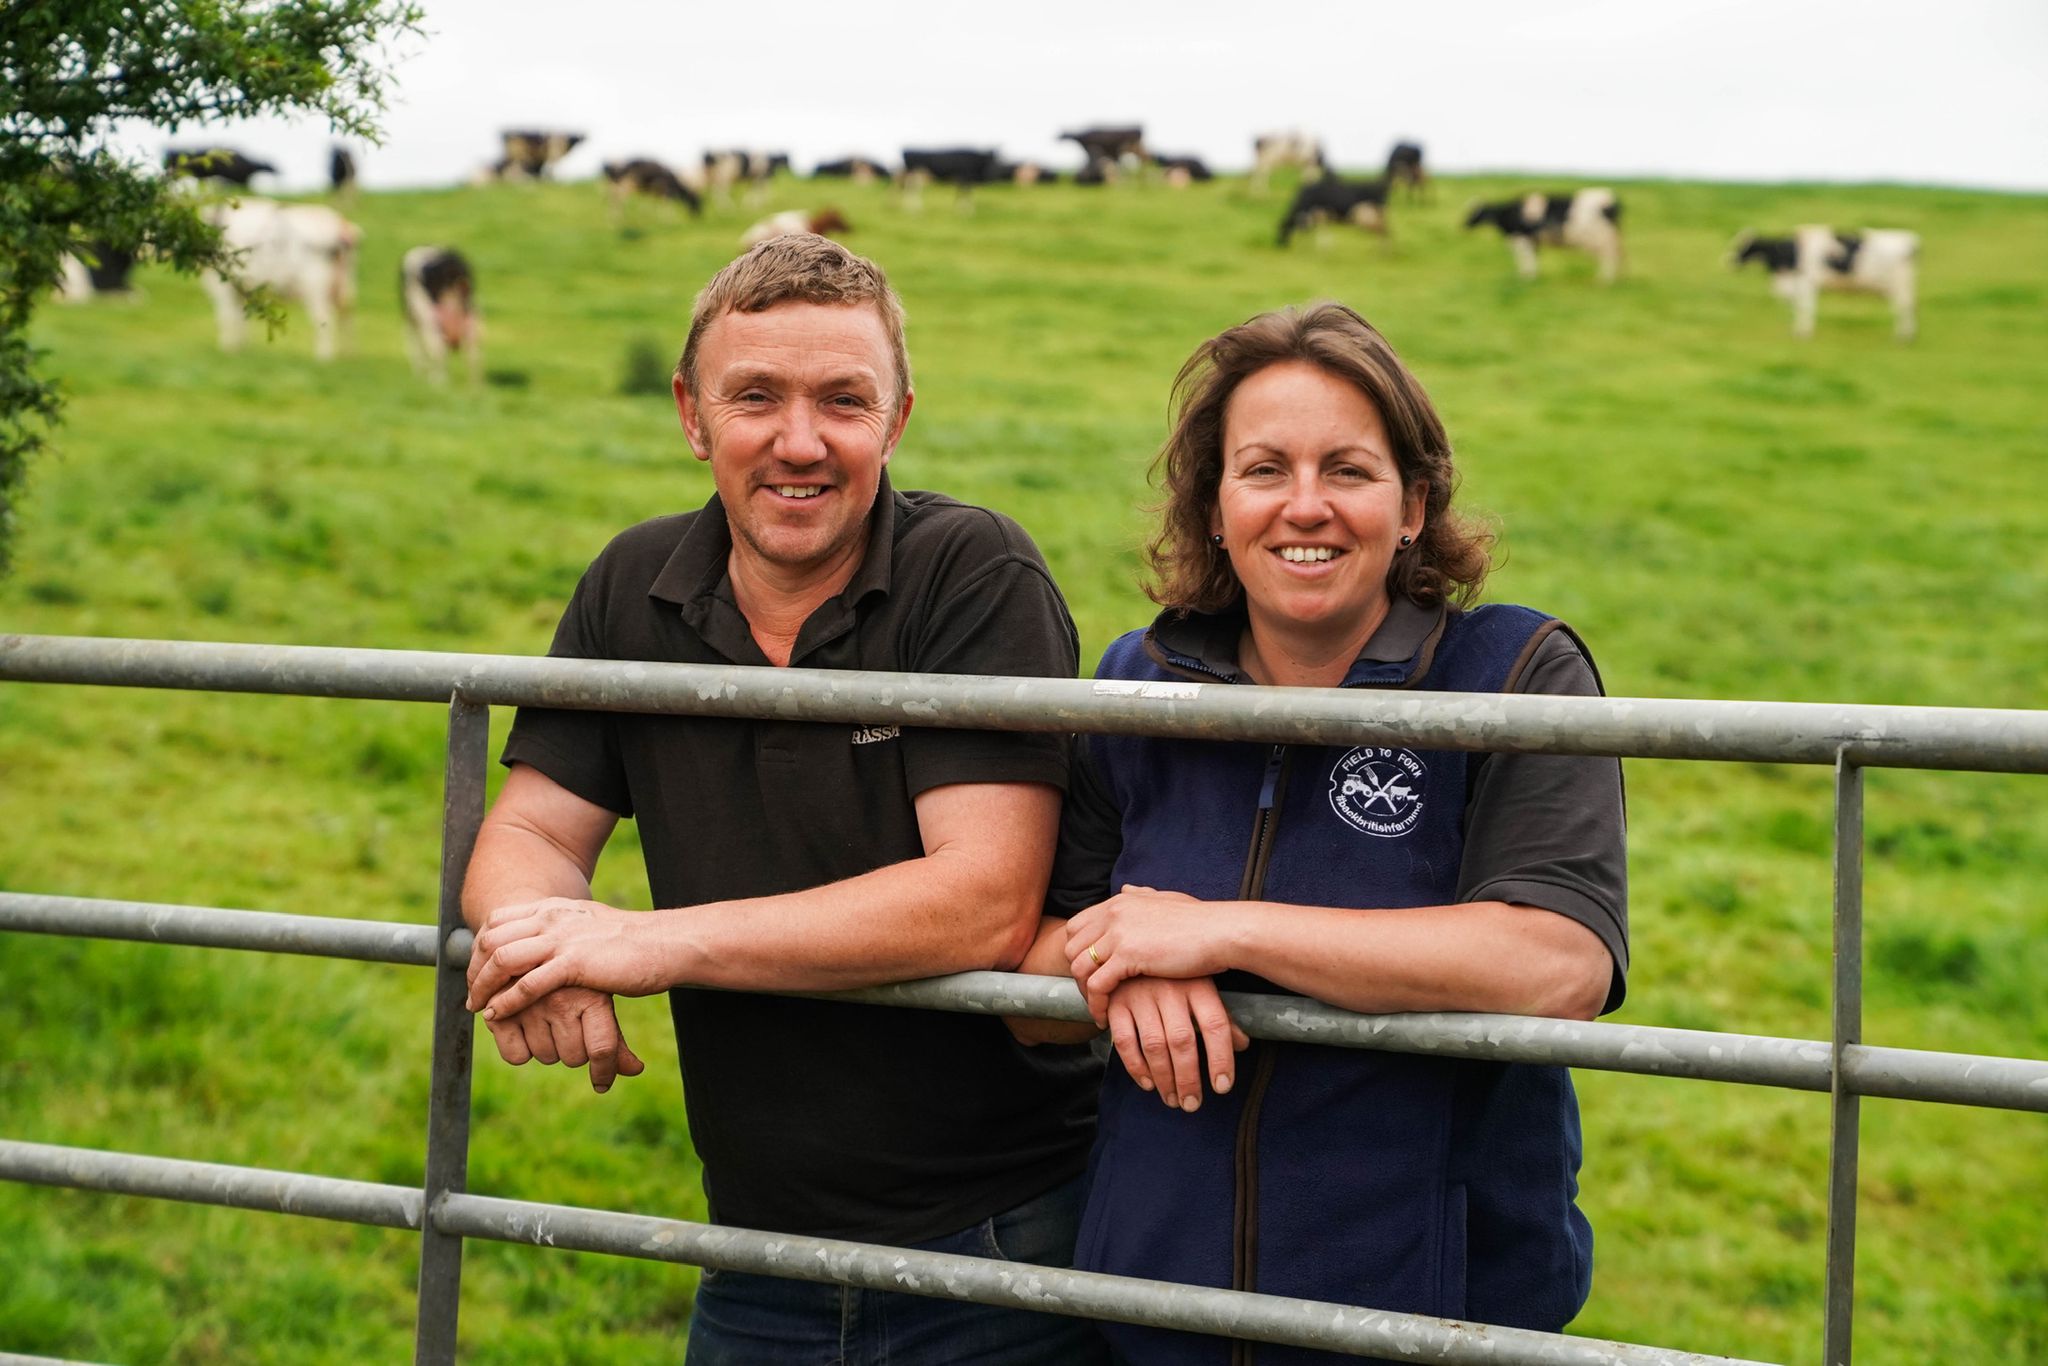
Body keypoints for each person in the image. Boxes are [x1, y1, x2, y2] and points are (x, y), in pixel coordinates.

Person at [460, 234, 1106, 1364]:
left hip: (1003, 1246)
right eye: (754, 395)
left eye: (842, 401)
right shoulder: (635, 583)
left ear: (897, 419)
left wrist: (647, 942)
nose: (798, 441)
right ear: (690, 413)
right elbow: (529, 825)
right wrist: (531, 942)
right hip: (756, 1248)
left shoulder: (972, 571)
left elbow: (981, 903)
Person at [1015, 302, 1628, 1363]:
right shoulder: (1135, 683)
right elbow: (1031, 980)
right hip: (1156, 1316)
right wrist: (1120, 957)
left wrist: (1222, 934)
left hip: (1433, 1319)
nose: (1305, 507)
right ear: (1213, 504)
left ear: (1411, 504)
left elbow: (1554, 962)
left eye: (1347, 470)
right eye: (1262, 470)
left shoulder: (1516, 673)